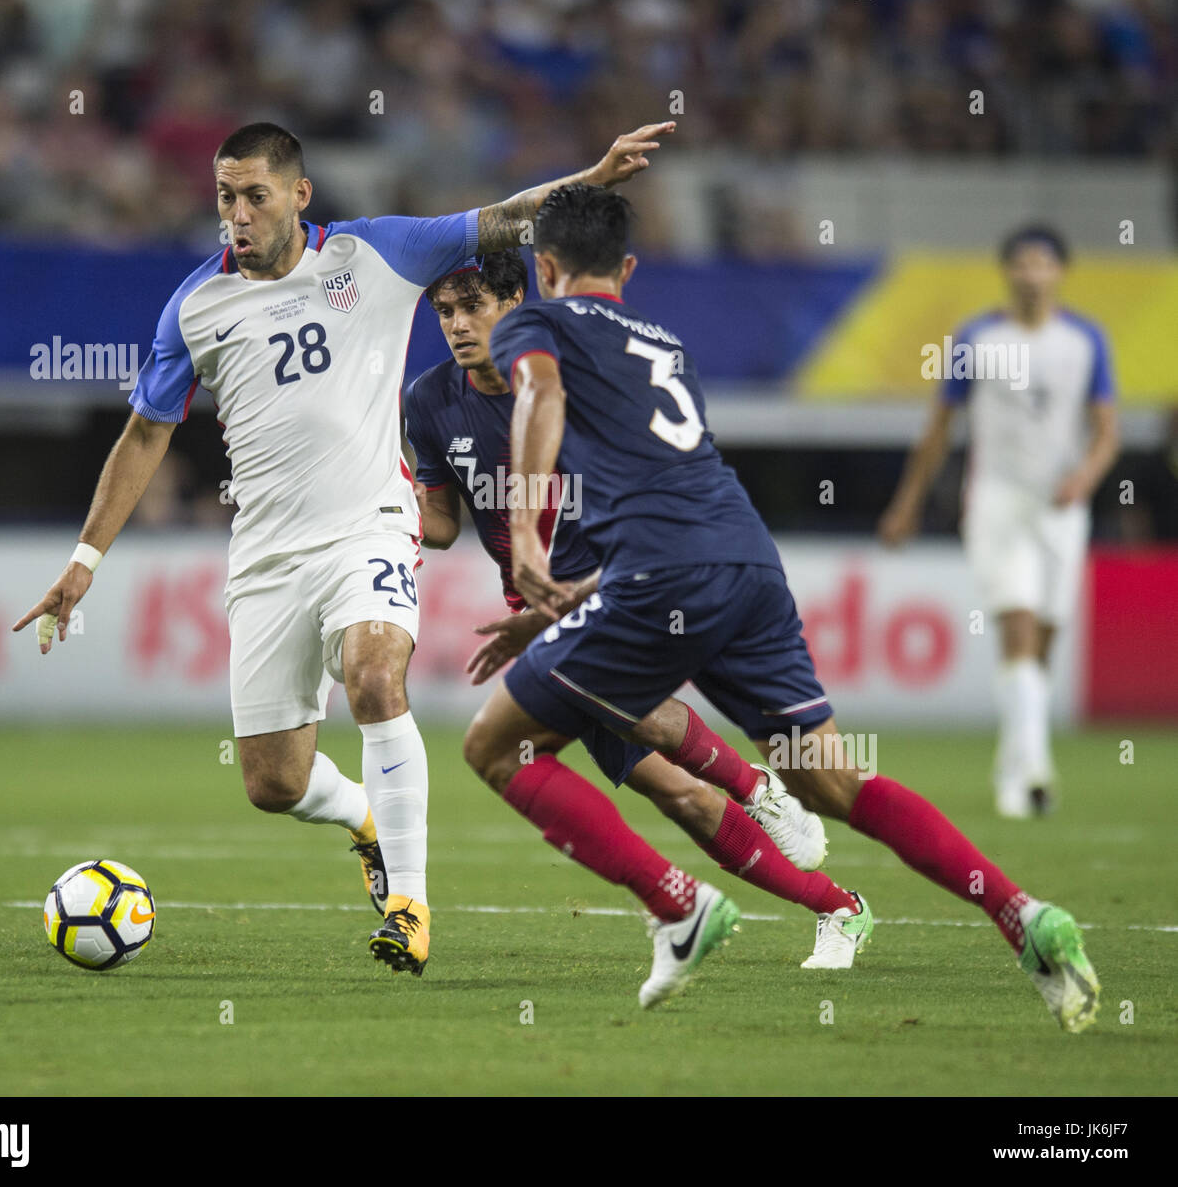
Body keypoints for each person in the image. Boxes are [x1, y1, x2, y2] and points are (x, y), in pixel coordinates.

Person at [13, 120, 675, 978]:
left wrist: (592, 173)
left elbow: (504, 221)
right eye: (224, 197)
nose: (237, 214)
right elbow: (145, 433)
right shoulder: (196, 305)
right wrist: (85, 559)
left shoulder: (377, 255)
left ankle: (409, 903)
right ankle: (363, 817)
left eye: (254, 195)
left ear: (299, 194)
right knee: (274, 783)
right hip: (266, 555)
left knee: (373, 673)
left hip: (369, 524)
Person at [465, 184, 1099, 1031]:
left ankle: (677, 903)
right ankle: (1021, 912)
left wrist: (530, 545)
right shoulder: (664, 340)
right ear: (628, 269)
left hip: (663, 576)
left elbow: (539, 397)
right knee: (834, 779)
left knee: (498, 744)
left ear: (543, 268)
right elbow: (670, 497)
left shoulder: (536, 324)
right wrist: (572, 602)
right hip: (748, 562)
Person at [407, 251, 867, 968]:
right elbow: (438, 524)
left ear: (515, 301)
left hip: (609, 584)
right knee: (677, 794)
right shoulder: (429, 399)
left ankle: (754, 793)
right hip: (533, 609)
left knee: (614, 711)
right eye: (445, 311)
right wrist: (379, 498)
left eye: (475, 306)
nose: (458, 325)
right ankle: (837, 905)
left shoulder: (564, 382)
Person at [879, 226, 1120, 818]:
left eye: (1042, 264)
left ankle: (1013, 766)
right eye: (1021, 264)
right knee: (1016, 624)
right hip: (996, 501)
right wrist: (908, 502)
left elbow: (1107, 431)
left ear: (1061, 273)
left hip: (1061, 508)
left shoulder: (1086, 340)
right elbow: (939, 429)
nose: (1031, 274)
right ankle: (1035, 770)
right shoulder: (978, 338)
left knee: (1043, 642)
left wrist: (1084, 479)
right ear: (1007, 272)